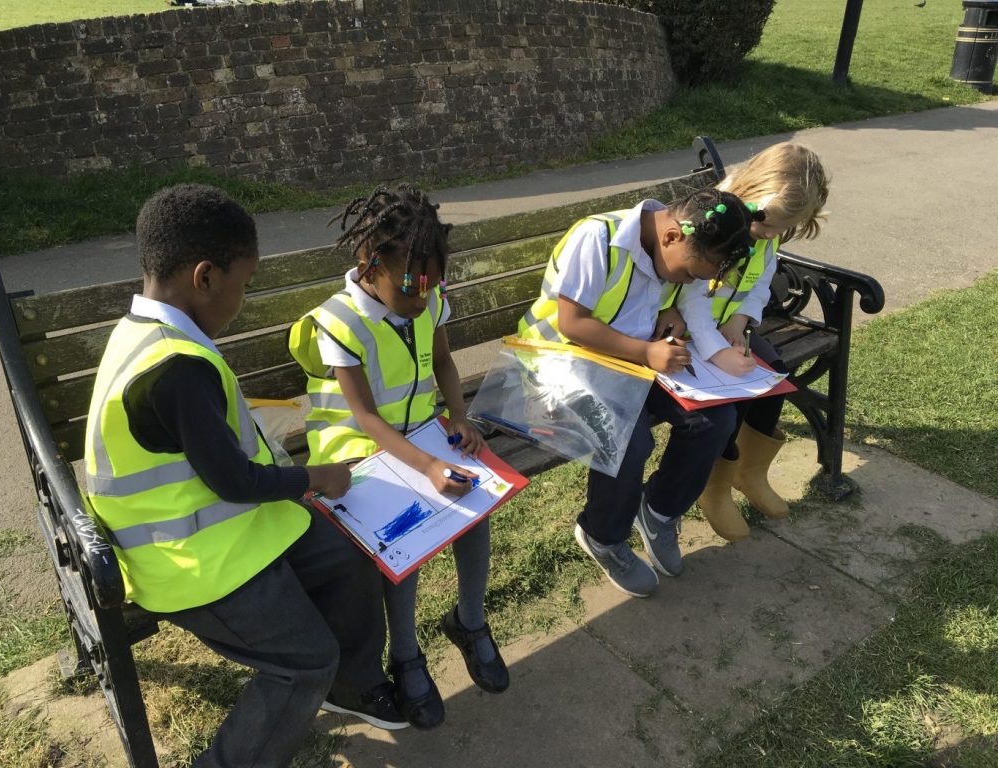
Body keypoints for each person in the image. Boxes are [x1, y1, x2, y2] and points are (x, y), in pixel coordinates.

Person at [83, 184, 406, 768]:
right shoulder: (176, 366)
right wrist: (316, 478)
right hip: (189, 562)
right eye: (246, 281)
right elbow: (233, 481)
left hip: (233, 527)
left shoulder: (156, 334)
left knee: (350, 551)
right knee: (303, 660)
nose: (245, 296)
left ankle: (352, 687)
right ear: (206, 277)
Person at [288, 183, 509, 731]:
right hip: (356, 454)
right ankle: (405, 655)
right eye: (411, 285)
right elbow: (364, 416)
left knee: (473, 505)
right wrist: (429, 466)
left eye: (432, 285)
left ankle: (471, 622)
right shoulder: (338, 321)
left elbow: (445, 366)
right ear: (369, 263)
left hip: (421, 437)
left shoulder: (426, 296)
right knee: (406, 537)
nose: (421, 299)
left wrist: (458, 418)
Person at [518, 188, 762, 597]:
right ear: (671, 237)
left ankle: (659, 512)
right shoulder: (597, 238)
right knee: (629, 439)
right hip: (558, 363)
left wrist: (671, 314)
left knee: (716, 418)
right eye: (689, 275)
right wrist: (647, 351)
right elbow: (573, 323)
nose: (690, 283)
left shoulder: (676, 248)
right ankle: (603, 535)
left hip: (628, 362)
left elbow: (665, 294)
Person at [676, 144, 829, 541]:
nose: (770, 235)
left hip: (727, 330)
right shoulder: (717, 221)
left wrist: (743, 320)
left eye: (780, 231)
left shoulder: (762, 226)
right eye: (768, 225)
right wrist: (718, 350)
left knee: (773, 371)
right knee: (735, 397)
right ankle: (715, 487)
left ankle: (749, 472)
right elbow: (690, 296)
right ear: (752, 191)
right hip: (688, 335)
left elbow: (759, 283)